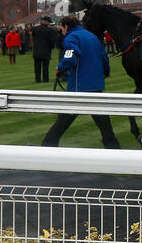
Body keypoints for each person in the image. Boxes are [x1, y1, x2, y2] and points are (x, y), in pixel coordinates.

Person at [41, 15, 121, 148]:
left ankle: (48, 145)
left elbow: (70, 58)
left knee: (64, 119)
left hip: (79, 85)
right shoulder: (92, 36)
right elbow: (104, 57)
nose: (61, 32)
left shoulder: (71, 38)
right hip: (95, 83)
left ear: (66, 26)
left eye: (61, 28)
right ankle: (112, 146)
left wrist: (59, 68)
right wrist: (105, 73)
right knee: (102, 119)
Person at [31, 15, 59, 84]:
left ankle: (37, 79)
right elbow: (52, 41)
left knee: (37, 66)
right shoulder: (50, 30)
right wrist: (51, 47)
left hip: (36, 50)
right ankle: (45, 79)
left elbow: (33, 37)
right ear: (46, 22)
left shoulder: (35, 29)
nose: (49, 23)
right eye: (49, 22)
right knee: (45, 66)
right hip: (46, 50)